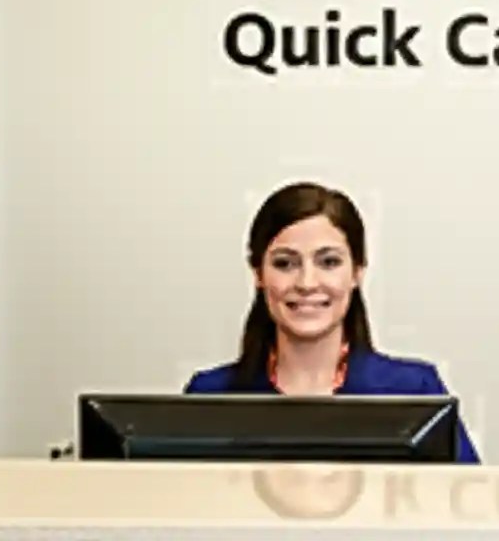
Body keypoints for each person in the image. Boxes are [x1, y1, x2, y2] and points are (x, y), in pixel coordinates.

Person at [183, 181, 481, 463]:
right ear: (259, 274)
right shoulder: (210, 396)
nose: (307, 282)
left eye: (329, 262)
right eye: (285, 263)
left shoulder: (414, 392)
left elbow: (470, 507)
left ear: (357, 272)